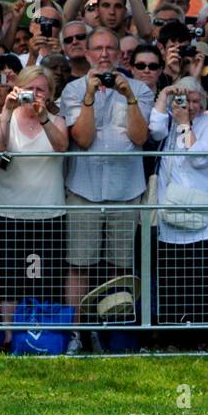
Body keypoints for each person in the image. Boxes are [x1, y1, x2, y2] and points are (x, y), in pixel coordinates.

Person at [59, 27, 153, 350]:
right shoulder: (72, 90)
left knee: (120, 266)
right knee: (79, 265)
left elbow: (141, 137)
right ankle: (76, 334)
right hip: (84, 189)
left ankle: (115, 334)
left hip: (126, 190)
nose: (103, 55)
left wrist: (128, 98)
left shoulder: (140, 89)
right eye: (97, 49)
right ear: (86, 54)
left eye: (109, 49)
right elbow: (82, 139)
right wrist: (88, 96)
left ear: (119, 54)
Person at [0, 66, 70, 347]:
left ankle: (42, 334)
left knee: (41, 277)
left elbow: (61, 146)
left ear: (50, 94)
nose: (34, 95)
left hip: (48, 213)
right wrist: (8, 112)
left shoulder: (57, 121)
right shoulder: (2, 118)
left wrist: (44, 116)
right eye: (29, 89)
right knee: (8, 278)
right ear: (17, 88)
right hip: (7, 212)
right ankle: (11, 336)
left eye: (41, 90)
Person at [148, 76, 208, 336]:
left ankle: (204, 336)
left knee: (203, 280)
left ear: (203, 103)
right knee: (173, 280)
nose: (189, 105)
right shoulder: (169, 120)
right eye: (182, 100)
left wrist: (184, 125)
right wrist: (163, 96)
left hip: (202, 212)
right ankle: (174, 336)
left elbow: (200, 158)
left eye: (194, 100)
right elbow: (154, 130)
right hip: (171, 211)